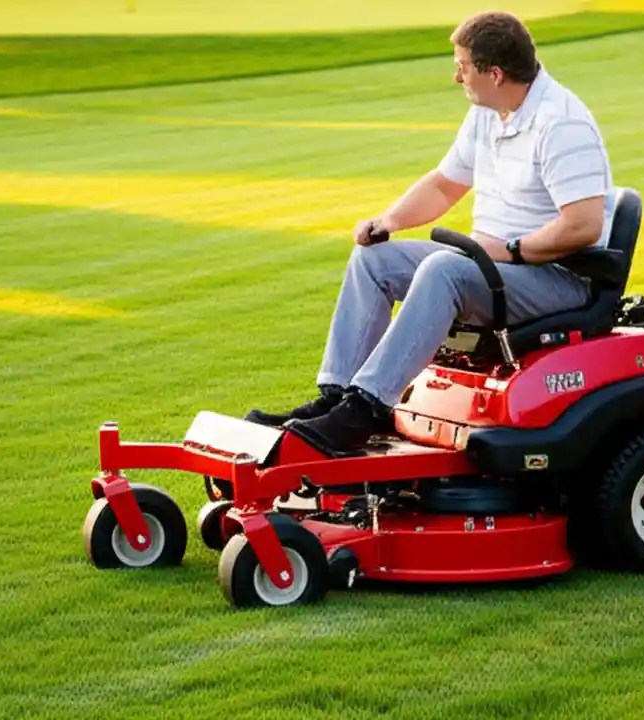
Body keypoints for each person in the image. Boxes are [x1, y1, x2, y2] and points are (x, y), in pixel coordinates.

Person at [247, 10, 613, 453]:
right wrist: (390, 221)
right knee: (374, 260)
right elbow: (445, 184)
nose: (456, 77)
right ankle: (337, 398)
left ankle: (366, 407)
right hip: (494, 264)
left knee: (444, 270)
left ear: (494, 74)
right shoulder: (490, 113)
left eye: (462, 66)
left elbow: (583, 225)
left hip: (556, 276)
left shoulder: (561, 123)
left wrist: (510, 250)